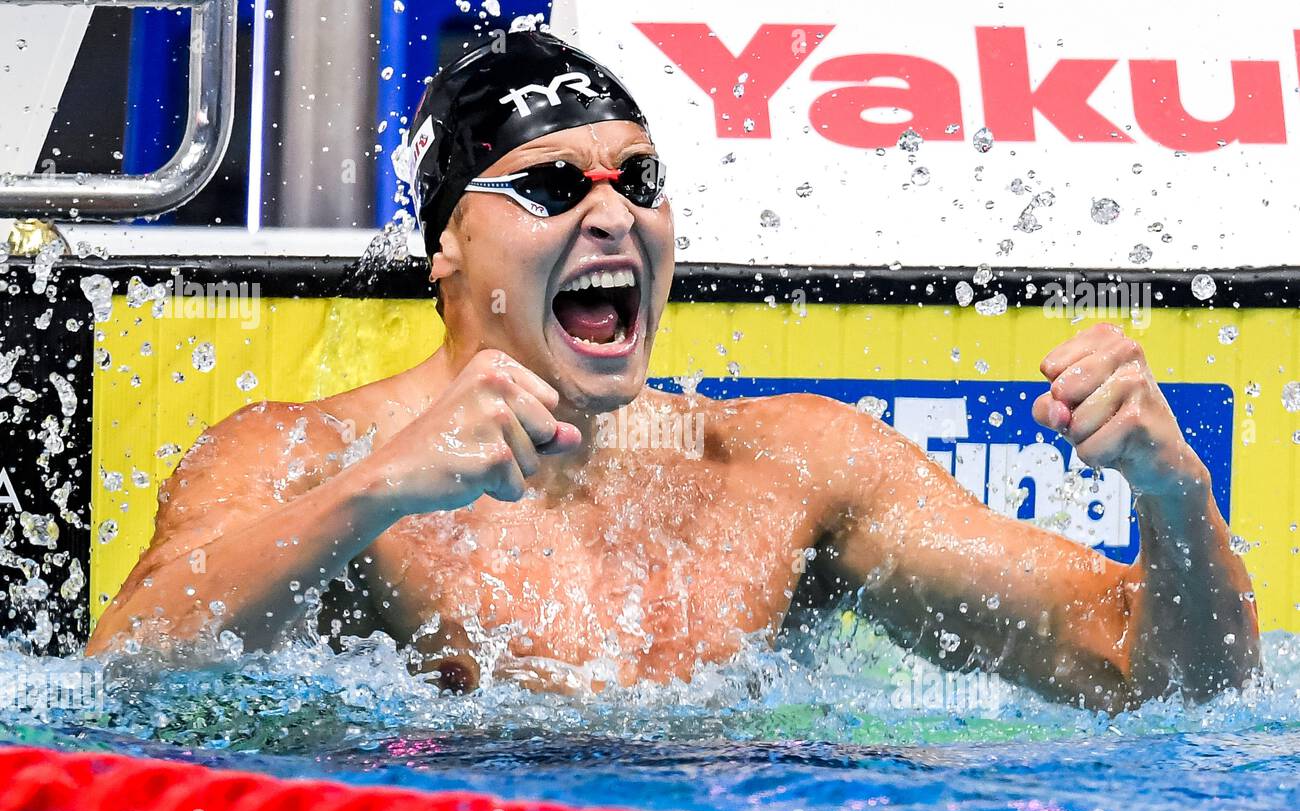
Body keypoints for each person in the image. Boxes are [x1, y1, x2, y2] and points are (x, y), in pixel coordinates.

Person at [88, 30, 1259, 711]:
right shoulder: (309, 459)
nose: (612, 217)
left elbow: (1158, 685)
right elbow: (120, 683)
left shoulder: (784, 467)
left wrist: (1174, 499)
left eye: (638, 183)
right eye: (552, 187)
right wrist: (372, 497)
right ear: (447, 245)